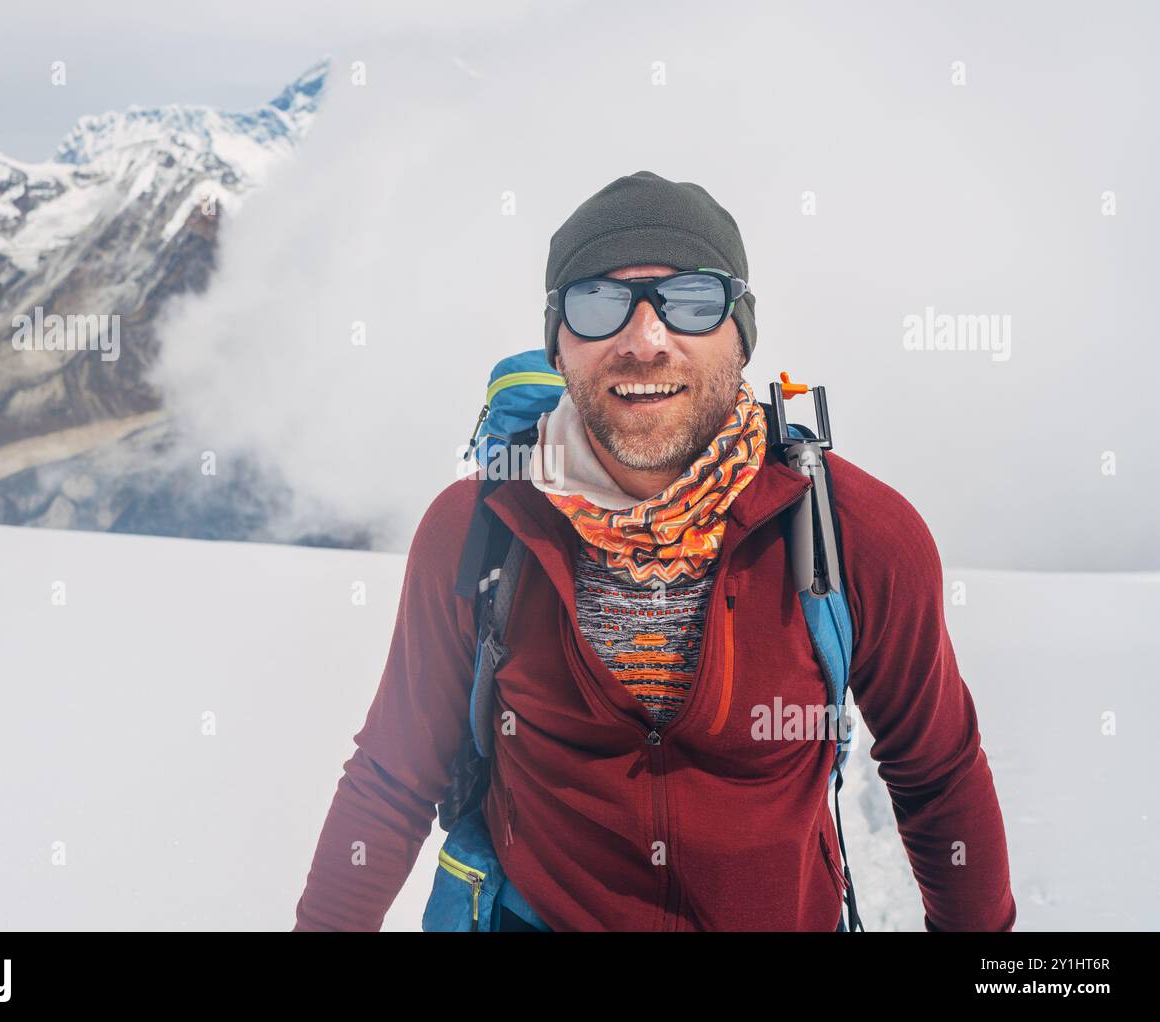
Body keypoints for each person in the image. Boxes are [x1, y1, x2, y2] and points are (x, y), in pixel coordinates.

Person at [294, 170, 1017, 932]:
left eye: (693, 301)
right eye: (597, 303)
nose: (644, 341)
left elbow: (938, 774)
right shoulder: (481, 526)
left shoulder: (854, 532)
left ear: (741, 333)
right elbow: (393, 779)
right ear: (558, 343)